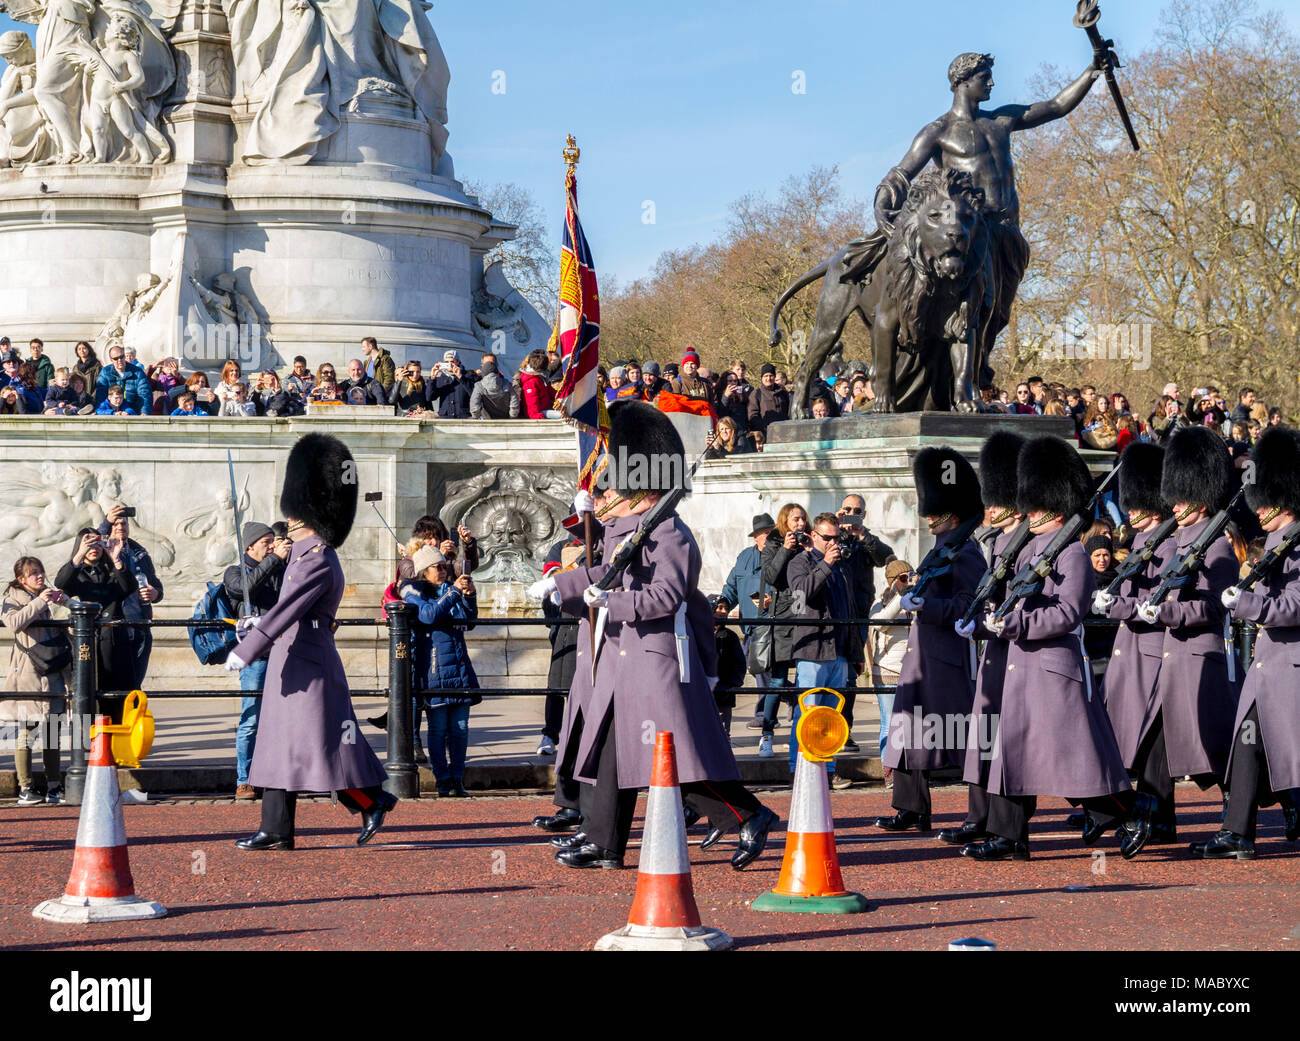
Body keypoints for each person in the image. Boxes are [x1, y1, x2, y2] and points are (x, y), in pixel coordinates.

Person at [529, 402, 777, 869]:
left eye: (620, 485)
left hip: (654, 659)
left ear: (643, 488)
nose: (613, 492)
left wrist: (611, 601)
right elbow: (604, 567)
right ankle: (603, 841)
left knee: (674, 756)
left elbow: (665, 596)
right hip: (622, 659)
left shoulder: (672, 535)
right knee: (609, 753)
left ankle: (749, 815)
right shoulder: (638, 530)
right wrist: (561, 584)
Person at [964, 436, 1157, 861]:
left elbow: (1068, 613)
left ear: (1051, 505)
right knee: (1012, 749)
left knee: (1072, 761)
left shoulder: (1070, 553)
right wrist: (983, 621)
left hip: (1054, 668)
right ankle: (1008, 835)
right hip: (1022, 664)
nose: (1026, 510)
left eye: (1033, 503)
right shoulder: (1025, 548)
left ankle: (1131, 808)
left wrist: (1014, 622)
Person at [226, 434, 396, 850]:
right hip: (296, 655)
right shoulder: (307, 554)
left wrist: (248, 646)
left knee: (322, 745)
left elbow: (290, 609)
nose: (291, 525)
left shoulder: (315, 556)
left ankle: (372, 800)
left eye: (296, 518)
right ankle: (276, 828)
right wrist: (253, 624)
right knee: (282, 744)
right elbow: (284, 609)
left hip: (305, 660)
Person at [1128, 426, 1241, 836]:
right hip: (1173, 659)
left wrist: (1166, 613)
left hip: (1199, 657)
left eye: (1181, 495)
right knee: (1158, 741)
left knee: (1214, 746)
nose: (1173, 502)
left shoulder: (1218, 547)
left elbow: (1214, 607)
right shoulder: (1177, 540)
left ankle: (1243, 817)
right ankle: (1157, 818)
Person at [877, 447, 983, 832]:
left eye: (935, 513)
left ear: (953, 516)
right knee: (906, 732)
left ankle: (980, 816)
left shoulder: (966, 552)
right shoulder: (941, 549)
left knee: (967, 740)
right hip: (921, 657)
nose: (928, 518)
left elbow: (967, 604)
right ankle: (911, 807)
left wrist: (926, 606)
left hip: (947, 660)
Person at [1206, 427, 1300, 857]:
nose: (1258, 509)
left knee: (1286, 752)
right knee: (1247, 745)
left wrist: (1247, 604)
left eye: (1266, 500)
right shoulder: (1278, 541)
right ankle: (1238, 832)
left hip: (1290, 667)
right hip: (1267, 668)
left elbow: (1295, 606)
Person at [1091, 442, 1179, 842]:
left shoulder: (1168, 543)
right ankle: (1140, 812)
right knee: (1138, 742)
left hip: (1152, 651)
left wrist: (1125, 606)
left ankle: (1156, 816)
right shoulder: (1144, 540)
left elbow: (1160, 598)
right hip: (1131, 651)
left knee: (1153, 742)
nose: (1129, 511)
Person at [947, 431, 1024, 845]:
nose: (988, 508)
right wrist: (974, 623)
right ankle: (982, 817)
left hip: (1016, 651)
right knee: (983, 738)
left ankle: (1006, 828)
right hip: (993, 651)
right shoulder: (990, 542)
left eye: (995, 500)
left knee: (1011, 744)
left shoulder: (1022, 542)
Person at [787, 511, 867, 781]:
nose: (833, 543)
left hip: (839, 652)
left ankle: (828, 770)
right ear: (813, 536)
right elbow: (800, 600)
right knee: (807, 714)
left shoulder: (841, 568)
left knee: (832, 720)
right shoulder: (800, 562)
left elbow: (850, 611)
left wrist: (856, 652)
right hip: (812, 651)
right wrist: (825, 566)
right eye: (826, 538)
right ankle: (801, 769)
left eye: (836, 537)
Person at [402, 545, 480, 797]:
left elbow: (469, 622)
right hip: (434, 669)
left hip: (459, 666)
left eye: (444, 566)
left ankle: (458, 779)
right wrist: (456, 592)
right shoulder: (414, 592)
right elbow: (429, 615)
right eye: (438, 567)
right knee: (437, 729)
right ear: (424, 571)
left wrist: (469, 595)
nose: (443, 570)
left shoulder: (450, 590)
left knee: (461, 728)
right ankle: (442, 780)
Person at [223, 522, 289, 800]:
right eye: (266, 542)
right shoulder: (235, 571)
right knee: (251, 718)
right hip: (255, 656)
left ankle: (280, 775)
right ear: (250, 546)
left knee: (283, 717)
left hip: (283, 651)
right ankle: (244, 779)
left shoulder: (279, 569)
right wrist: (275, 560)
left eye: (274, 542)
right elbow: (244, 590)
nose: (272, 547)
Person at [2, 556, 70, 805]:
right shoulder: (11, 599)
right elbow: (14, 623)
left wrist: (64, 603)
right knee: (26, 732)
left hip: (52, 671)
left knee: (53, 732)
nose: (40, 576)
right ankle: (25, 788)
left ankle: (54, 786)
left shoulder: (48, 596)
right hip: (27, 674)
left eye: (41, 572)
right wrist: (41, 602)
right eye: (34, 574)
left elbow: (69, 626)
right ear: (21, 579)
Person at [54, 528, 138, 720]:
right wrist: (79, 555)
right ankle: (87, 740)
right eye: (88, 542)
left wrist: (116, 559)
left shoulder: (111, 571)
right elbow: (61, 583)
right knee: (86, 693)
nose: (94, 547)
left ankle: (115, 739)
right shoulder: (76, 572)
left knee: (116, 695)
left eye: (97, 542)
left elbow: (129, 587)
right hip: (86, 644)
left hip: (113, 642)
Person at [758, 503, 810, 756]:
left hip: (806, 616)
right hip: (783, 618)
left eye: (803, 519)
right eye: (796, 519)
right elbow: (771, 576)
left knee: (805, 681)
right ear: (785, 522)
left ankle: (803, 737)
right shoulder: (773, 545)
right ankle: (766, 734)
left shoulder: (810, 542)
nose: (800, 524)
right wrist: (786, 549)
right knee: (777, 681)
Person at [719, 513, 775, 733]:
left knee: (760, 670)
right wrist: (723, 603)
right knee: (751, 668)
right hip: (749, 626)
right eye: (764, 533)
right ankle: (789, 698)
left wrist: (773, 602)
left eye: (771, 532)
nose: (768, 537)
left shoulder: (779, 557)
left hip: (769, 624)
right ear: (756, 537)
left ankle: (764, 714)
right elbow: (732, 585)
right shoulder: (744, 557)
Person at [867, 559, 913, 774]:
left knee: (910, 722)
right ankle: (889, 770)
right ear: (893, 581)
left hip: (912, 670)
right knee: (889, 722)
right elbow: (879, 622)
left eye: (911, 576)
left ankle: (907, 770)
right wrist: (899, 598)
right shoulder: (881, 602)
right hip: (887, 670)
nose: (909, 581)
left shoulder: (915, 599)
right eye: (904, 578)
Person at [709, 594, 746, 735]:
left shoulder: (730, 636)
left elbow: (740, 663)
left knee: (723, 728)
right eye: (719, 607)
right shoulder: (699, 632)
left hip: (724, 691)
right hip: (705, 689)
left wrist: (733, 684)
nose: (724, 611)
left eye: (726, 608)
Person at [94, 344, 150, 413]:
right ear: (111, 360)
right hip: (111, 415)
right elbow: (100, 396)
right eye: (116, 358)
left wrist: (144, 413)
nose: (119, 360)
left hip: (134, 414)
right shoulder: (105, 372)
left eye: (122, 356)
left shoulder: (138, 372)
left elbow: (145, 395)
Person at [511, 348, 555, 418]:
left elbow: (552, 392)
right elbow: (531, 401)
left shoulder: (542, 377)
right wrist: (535, 415)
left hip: (544, 409)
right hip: (537, 413)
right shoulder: (531, 381)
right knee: (562, 416)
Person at [469, 354, 513, 419]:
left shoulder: (505, 383)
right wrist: (513, 417)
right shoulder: (476, 380)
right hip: (505, 420)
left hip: (488, 420)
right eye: (487, 363)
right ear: (482, 365)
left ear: (496, 364)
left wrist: (475, 418)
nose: (489, 366)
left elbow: (474, 405)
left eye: (491, 363)